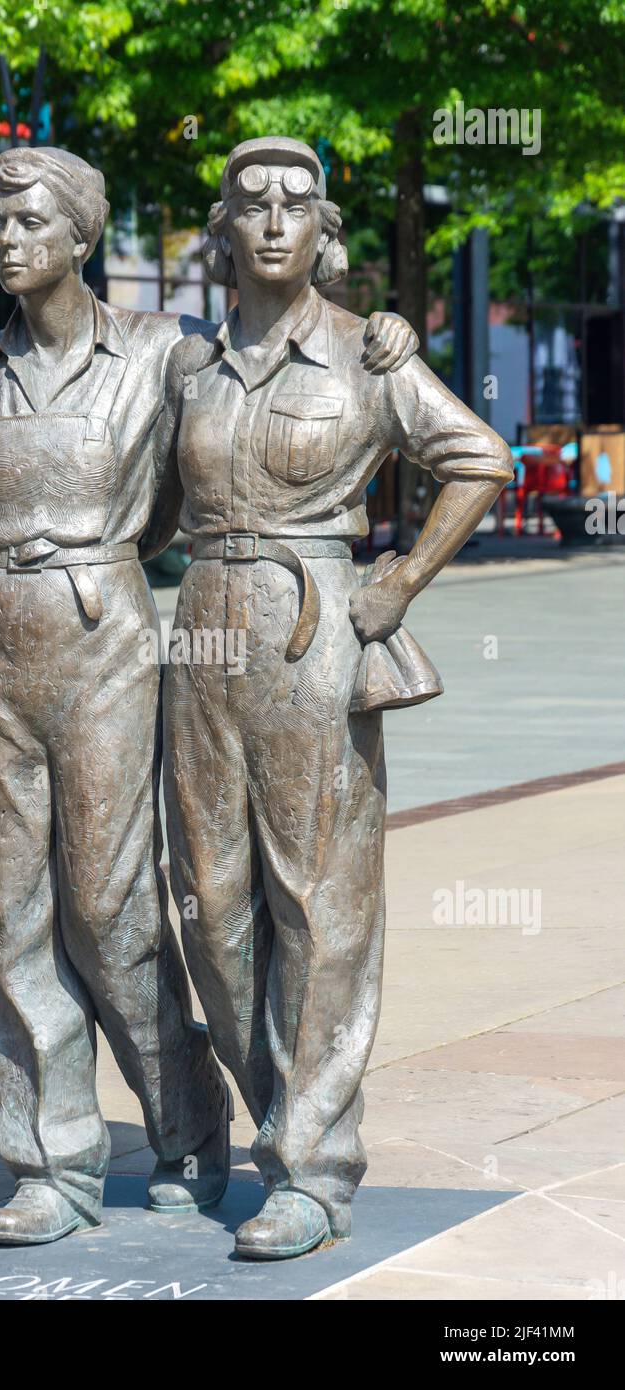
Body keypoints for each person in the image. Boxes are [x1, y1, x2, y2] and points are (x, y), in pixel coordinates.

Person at [0, 144, 415, 1247]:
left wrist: (380, 335)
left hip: (107, 643)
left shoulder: (163, 355)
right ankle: (53, 1158)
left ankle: (186, 1118)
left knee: (111, 905)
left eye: (30, 222)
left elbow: (227, 431)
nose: (8, 241)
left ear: (80, 237)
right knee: (8, 911)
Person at [146, 137, 514, 1261]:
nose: (269, 222)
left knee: (318, 904)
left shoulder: (369, 354)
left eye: (292, 206)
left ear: (322, 229)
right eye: (247, 205)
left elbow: (479, 457)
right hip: (202, 633)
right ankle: (270, 1113)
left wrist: (400, 577)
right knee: (209, 900)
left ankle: (312, 1165)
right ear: (220, 228)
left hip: (316, 632)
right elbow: (148, 514)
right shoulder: (188, 369)